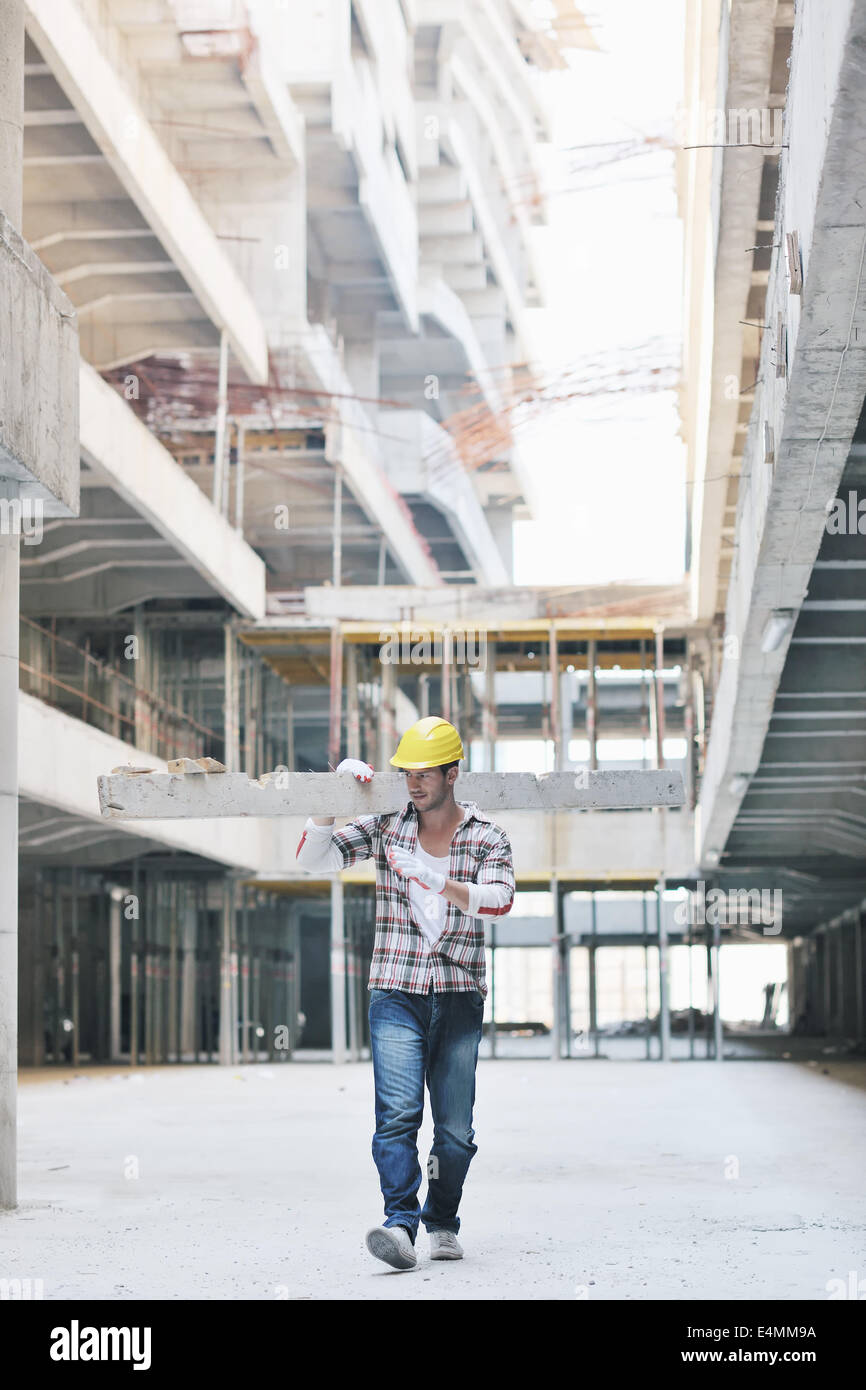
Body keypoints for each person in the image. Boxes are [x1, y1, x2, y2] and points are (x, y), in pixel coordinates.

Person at [295, 715, 514, 1271]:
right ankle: (400, 1225)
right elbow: (312, 859)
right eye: (406, 773)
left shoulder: (487, 836)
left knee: (455, 1133)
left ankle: (443, 1220)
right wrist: (333, 793)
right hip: (396, 989)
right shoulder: (387, 826)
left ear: (452, 773)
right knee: (397, 1116)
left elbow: (500, 900)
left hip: (459, 993)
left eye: (425, 774)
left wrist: (439, 880)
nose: (413, 784)